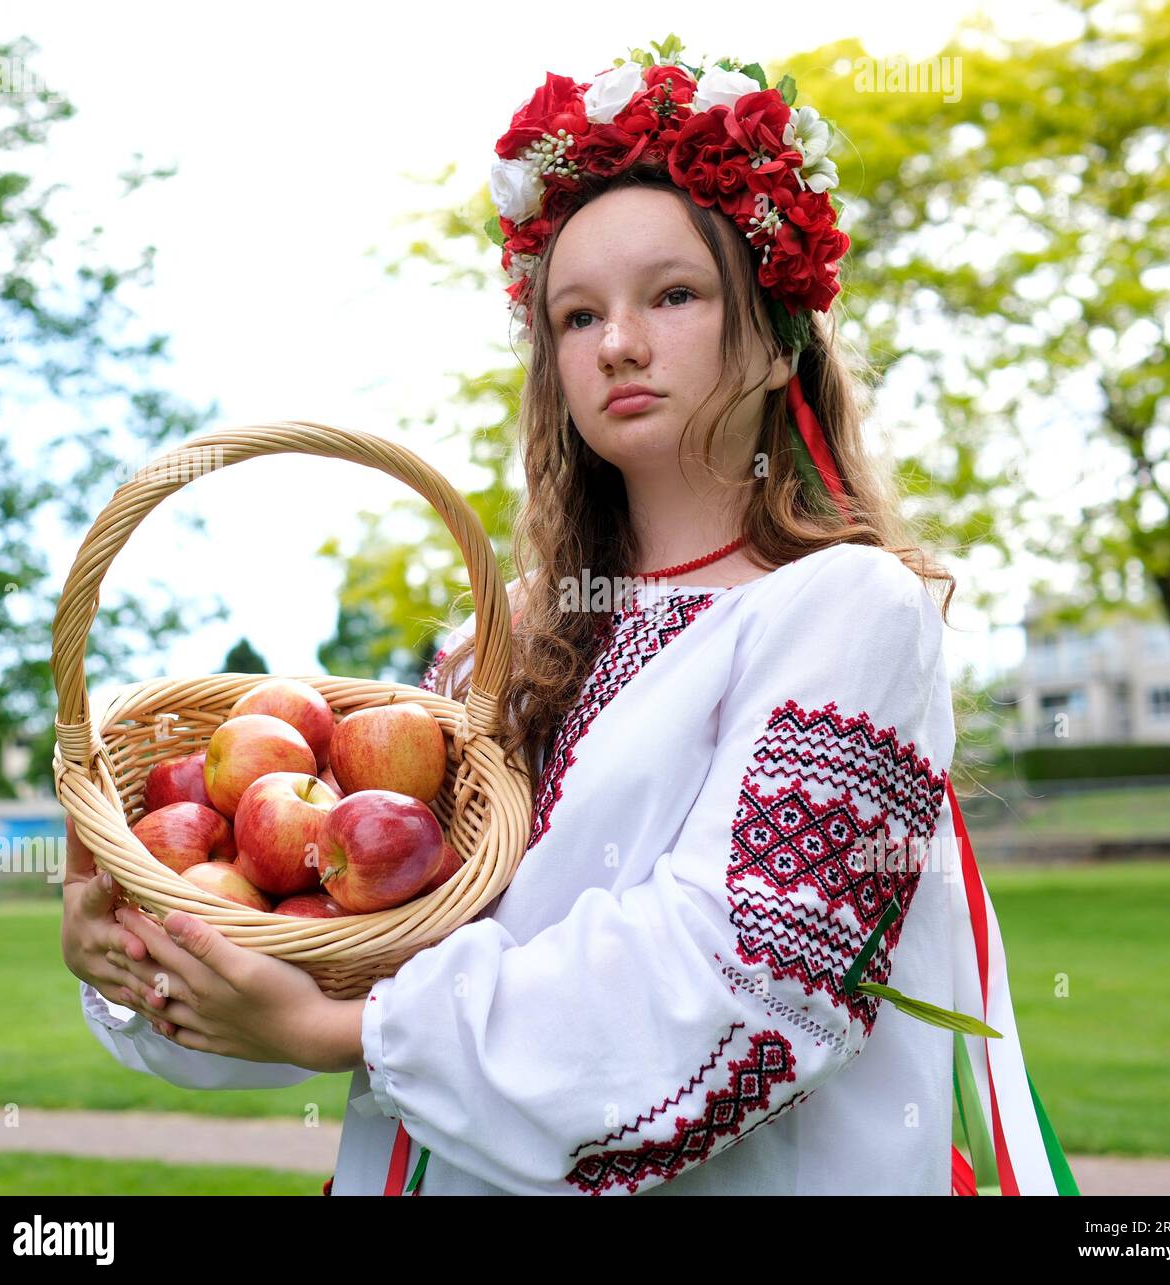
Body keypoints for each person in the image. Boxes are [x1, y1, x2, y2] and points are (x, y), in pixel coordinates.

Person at [63, 40, 1076, 1196]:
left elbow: (750, 983)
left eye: (674, 295)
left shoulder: (844, 607)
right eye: (577, 315)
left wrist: (347, 1037)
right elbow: (350, 953)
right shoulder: (496, 643)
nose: (619, 344)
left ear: (775, 325)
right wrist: (145, 961)